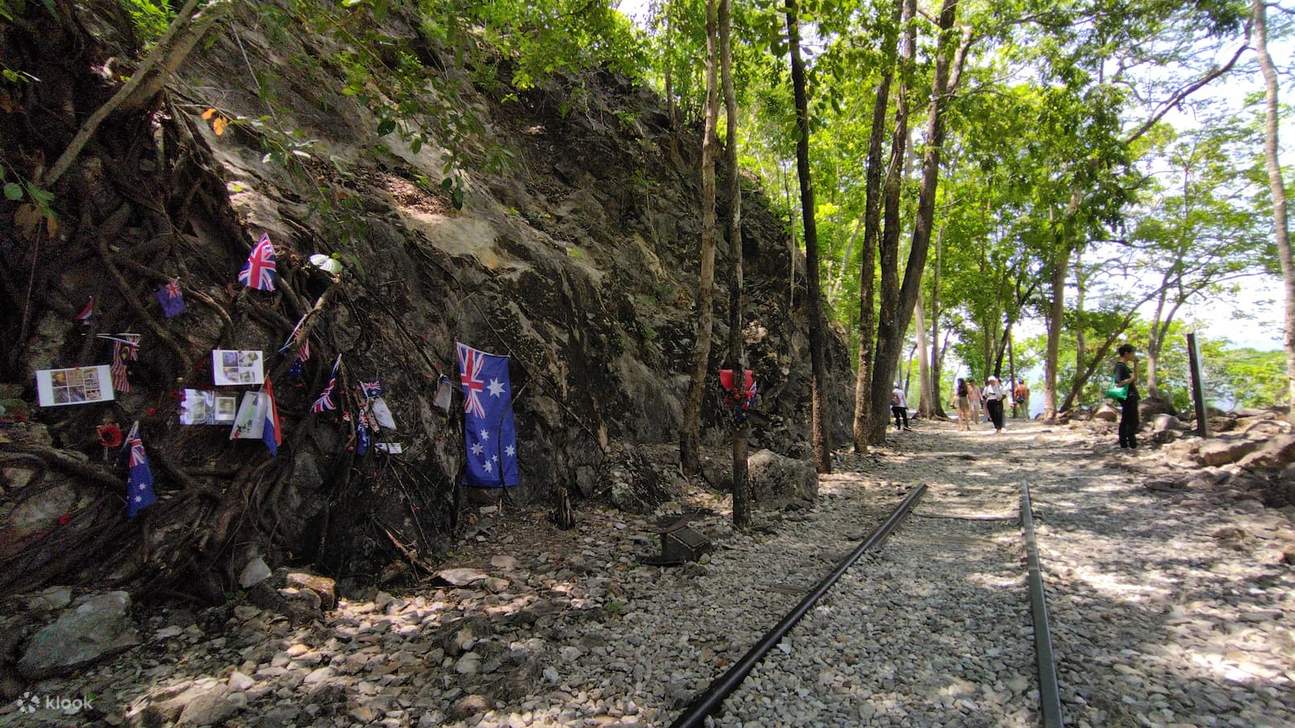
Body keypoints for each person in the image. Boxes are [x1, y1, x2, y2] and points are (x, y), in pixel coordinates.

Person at [1114, 344, 1140, 449]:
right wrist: (1130, 379)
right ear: (1126, 353)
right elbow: (1118, 383)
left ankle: (1127, 442)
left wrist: (1136, 364)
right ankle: (1127, 443)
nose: (1133, 355)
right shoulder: (1119, 366)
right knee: (1130, 420)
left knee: (1131, 419)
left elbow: (1135, 378)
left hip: (1131, 395)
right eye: (1132, 353)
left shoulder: (1125, 367)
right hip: (1127, 396)